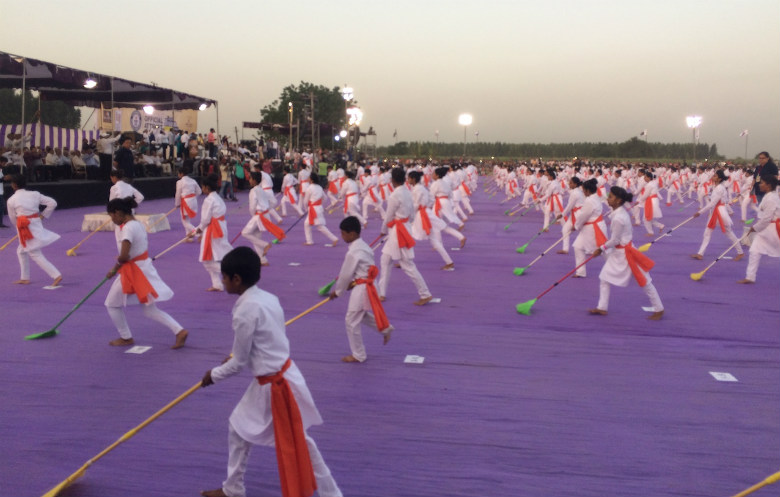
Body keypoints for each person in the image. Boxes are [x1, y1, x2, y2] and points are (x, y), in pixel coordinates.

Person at [199, 247, 343, 497]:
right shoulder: (267, 298)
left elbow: (240, 363)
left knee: (299, 443)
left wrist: (214, 375)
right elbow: (264, 341)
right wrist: (233, 356)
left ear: (236, 279)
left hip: (274, 385)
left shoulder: (245, 311)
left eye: (223, 277)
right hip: (283, 375)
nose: (221, 281)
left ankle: (234, 489)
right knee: (245, 430)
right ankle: (233, 488)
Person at [103, 197, 188, 348]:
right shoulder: (138, 224)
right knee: (149, 310)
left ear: (117, 212)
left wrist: (114, 269)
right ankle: (179, 330)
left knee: (111, 304)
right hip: (143, 268)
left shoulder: (128, 228)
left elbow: (124, 256)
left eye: (112, 216)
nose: (112, 219)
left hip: (134, 271)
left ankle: (126, 337)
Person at [588, 187, 664, 320]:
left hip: (627, 253)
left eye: (610, 197)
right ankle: (602, 307)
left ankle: (659, 308)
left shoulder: (619, 217)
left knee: (645, 281)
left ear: (618, 200)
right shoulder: (618, 212)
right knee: (604, 278)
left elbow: (615, 239)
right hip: (619, 252)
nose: (608, 199)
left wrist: (601, 248)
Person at [329, 216, 393, 363]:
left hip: (364, 288)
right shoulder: (363, 246)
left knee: (351, 320)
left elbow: (345, 275)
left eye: (343, 233)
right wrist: (353, 283)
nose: (342, 236)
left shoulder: (353, 252)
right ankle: (385, 329)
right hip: (367, 284)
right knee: (360, 316)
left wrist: (338, 292)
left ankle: (359, 354)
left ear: (351, 234)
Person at [377, 167, 434, 305]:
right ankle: (381, 293)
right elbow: (412, 214)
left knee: (407, 265)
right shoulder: (408, 192)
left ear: (392, 180)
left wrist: (383, 230)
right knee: (385, 260)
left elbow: (388, 216)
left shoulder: (395, 195)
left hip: (398, 232)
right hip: (402, 228)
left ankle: (425, 293)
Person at [6, 174, 62, 287]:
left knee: (34, 253)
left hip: (24, 227)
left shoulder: (11, 200)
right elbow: (53, 203)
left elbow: (12, 218)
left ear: (14, 185)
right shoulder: (34, 194)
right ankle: (24, 278)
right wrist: (43, 216)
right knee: (21, 251)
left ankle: (56, 275)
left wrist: (18, 228)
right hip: (35, 223)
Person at [691, 169, 744, 261]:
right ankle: (700, 253)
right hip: (716, 212)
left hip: (720, 212)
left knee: (728, 233)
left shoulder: (719, 188)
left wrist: (700, 212)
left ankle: (740, 252)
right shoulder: (717, 187)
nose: (713, 177)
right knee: (707, 233)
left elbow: (712, 204)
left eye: (715, 176)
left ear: (719, 179)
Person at [193, 174, 233, 291]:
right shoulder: (218, 198)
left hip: (213, 229)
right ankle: (217, 284)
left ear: (206, 187)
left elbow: (205, 220)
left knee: (206, 260)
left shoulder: (209, 200)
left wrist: (197, 231)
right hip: (220, 227)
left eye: (202, 187)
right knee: (210, 258)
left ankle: (232, 271)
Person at [738, 175, 780, 284]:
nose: (760, 184)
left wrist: (754, 228)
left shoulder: (771, 198)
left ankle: (750, 277)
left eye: (762, 183)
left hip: (774, 229)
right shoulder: (768, 195)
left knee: (755, 250)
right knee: (754, 250)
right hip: (766, 230)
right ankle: (750, 277)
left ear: (769, 185)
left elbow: (767, 218)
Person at [241, 172, 285, 266]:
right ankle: (263, 260)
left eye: (250, 178)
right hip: (264, 215)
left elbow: (252, 206)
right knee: (256, 237)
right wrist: (266, 208)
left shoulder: (253, 191)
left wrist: (253, 214)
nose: (249, 180)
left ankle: (265, 244)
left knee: (245, 233)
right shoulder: (262, 190)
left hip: (258, 216)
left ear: (254, 180)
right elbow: (273, 202)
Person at [571, 179, 608, 278]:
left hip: (593, 228)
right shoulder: (595, 197)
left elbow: (583, 216)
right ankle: (580, 272)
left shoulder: (590, 201)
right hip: (591, 226)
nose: (582, 192)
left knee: (604, 250)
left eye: (583, 190)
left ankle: (619, 268)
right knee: (578, 247)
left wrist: (576, 226)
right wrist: (577, 225)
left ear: (587, 191)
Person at [302, 172, 339, 246]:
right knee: (307, 224)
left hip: (313, 208)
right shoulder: (319, 187)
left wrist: (306, 208)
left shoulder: (309, 188)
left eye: (309, 178)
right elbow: (325, 198)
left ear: (311, 180)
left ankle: (334, 238)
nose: (308, 179)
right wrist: (319, 203)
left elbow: (305, 201)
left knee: (320, 226)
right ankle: (309, 241)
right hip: (318, 207)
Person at [175, 165, 202, 236]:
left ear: (181, 174)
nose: (178, 175)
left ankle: (198, 233)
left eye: (178, 173)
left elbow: (178, 194)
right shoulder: (193, 181)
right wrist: (193, 197)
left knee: (184, 222)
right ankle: (189, 236)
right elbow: (199, 192)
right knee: (187, 219)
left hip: (186, 202)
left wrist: (177, 204)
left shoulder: (180, 182)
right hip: (193, 201)